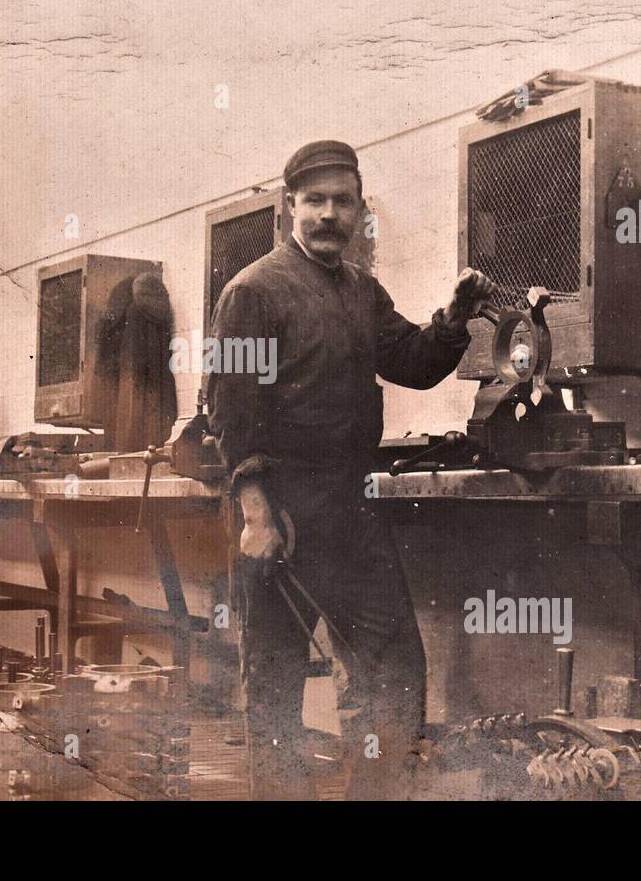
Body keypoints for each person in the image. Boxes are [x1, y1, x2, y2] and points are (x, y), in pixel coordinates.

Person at [207, 139, 493, 799]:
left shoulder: (363, 291)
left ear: (360, 210)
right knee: (276, 683)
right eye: (316, 201)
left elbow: (414, 364)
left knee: (395, 664)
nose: (329, 214)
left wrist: (451, 319)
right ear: (289, 208)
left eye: (343, 201)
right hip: (281, 511)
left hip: (351, 508)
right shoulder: (252, 291)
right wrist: (255, 514)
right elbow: (232, 411)